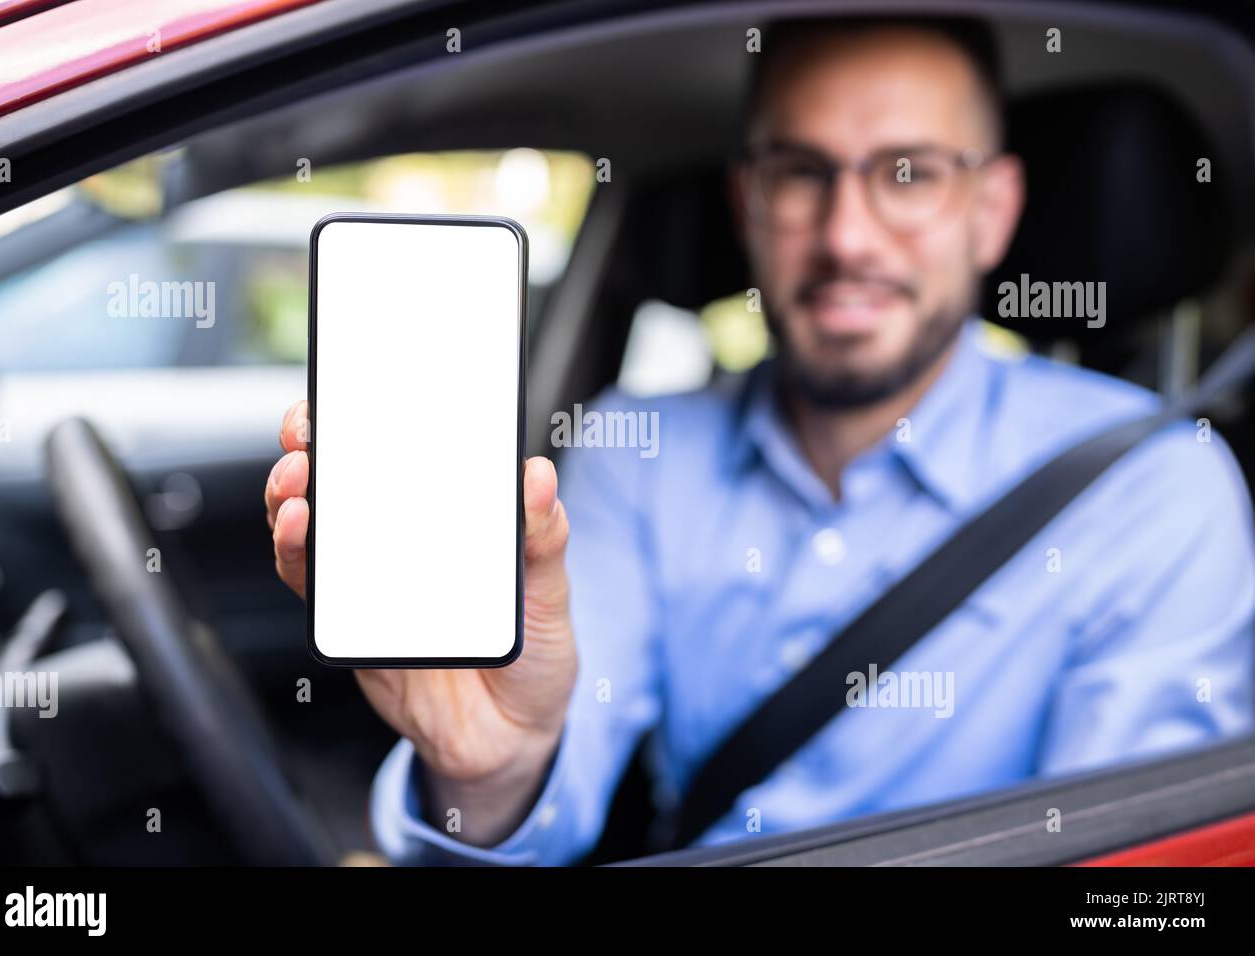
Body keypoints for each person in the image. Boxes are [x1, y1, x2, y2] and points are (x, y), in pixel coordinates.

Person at [265, 17, 1255, 865]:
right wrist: (487, 772)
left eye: (907, 173)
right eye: (801, 173)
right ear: (747, 204)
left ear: (990, 211)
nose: (846, 237)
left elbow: (1131, 876)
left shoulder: (1154, 492)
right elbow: (557, 744)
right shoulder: (634, 449)